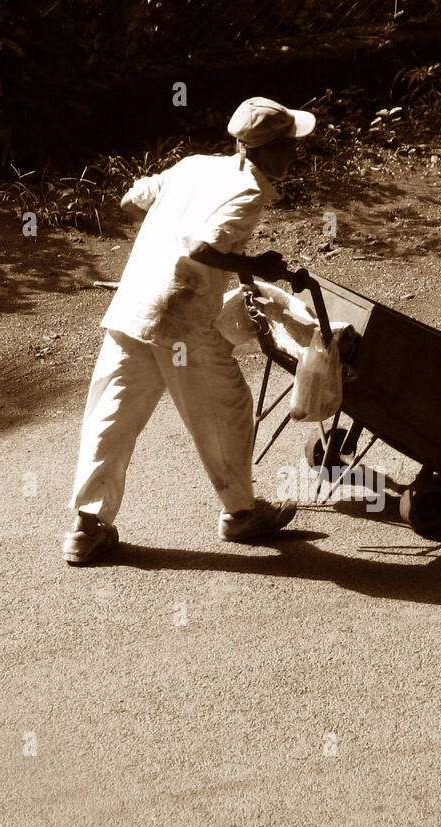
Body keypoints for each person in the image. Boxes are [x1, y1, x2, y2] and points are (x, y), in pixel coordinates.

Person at [63, 97, 316, 565]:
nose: (295, 155)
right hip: (179, 319)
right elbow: (203, 246)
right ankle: (242, 513)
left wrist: (168, 233)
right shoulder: (247, 193)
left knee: (111, 416)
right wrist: (252, 263)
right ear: (265, 149)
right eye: (290, 147)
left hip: (133, 305)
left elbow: (131, 199)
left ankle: (87, 527)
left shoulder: (194, 165)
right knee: (228, 408)